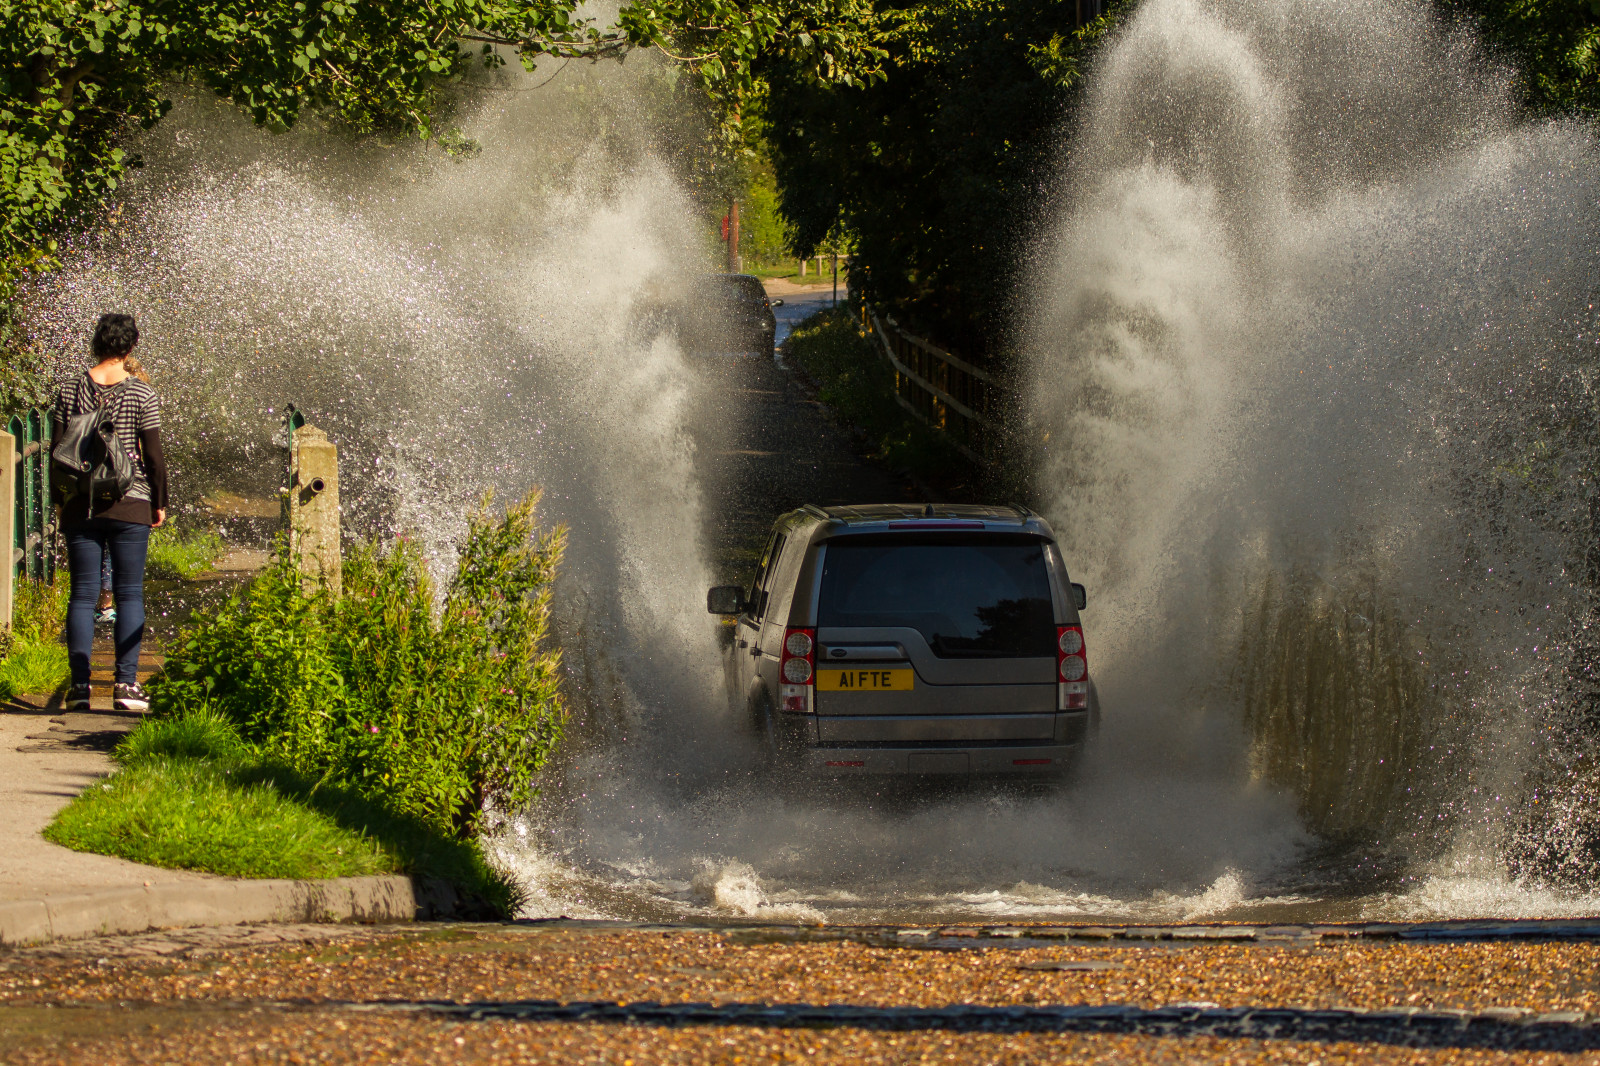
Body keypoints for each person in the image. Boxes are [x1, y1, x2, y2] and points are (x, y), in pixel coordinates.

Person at [53, 315, 167, 712]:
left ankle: (80, 688)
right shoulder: (142, 394)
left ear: (96, 344)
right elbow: (152, 456)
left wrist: (60, 501)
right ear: (130, 347)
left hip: (80, 504)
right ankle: (126, 686)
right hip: (130, 500)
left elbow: (57, 452)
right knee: (129, 592)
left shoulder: (68, 390)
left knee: (83, 594)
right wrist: (159, 501)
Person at [92, 356, 150, 627]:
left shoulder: (96, 396)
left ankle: (103, 603)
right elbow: (149, 454)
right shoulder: (138, 401)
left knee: (103, 553)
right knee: (115, 559)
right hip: (128, 493)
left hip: (98, 486)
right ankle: (105, 604)